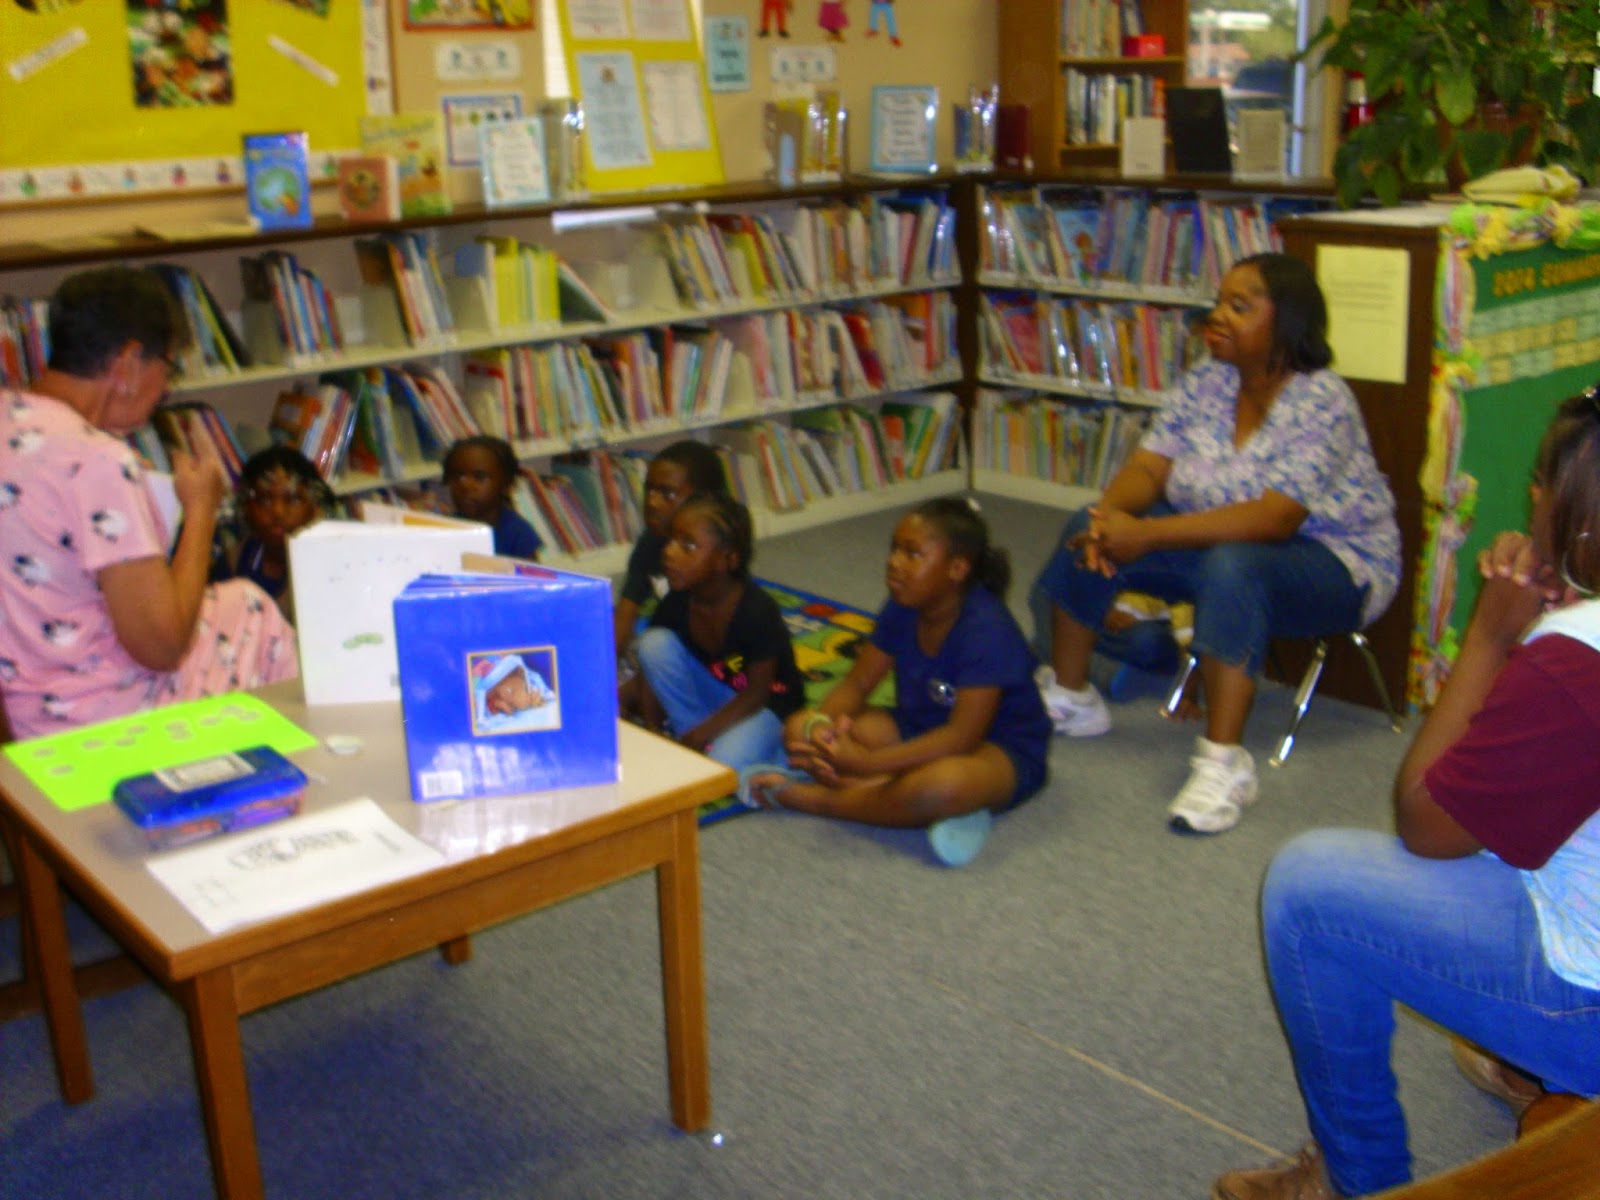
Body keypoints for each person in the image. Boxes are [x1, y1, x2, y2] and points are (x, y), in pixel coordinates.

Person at [1211, 389, 1600, 1200]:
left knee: (1311, 890)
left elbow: (1427, 821)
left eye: (1539, 482)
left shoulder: (1574, 662)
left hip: (1588, 994)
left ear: (1577, 513)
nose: (1528, 495)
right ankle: (1533, 1071)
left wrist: (1494, 637)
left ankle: (1362, 1179)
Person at [1031, 252, 1400, 835]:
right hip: (1216, 543)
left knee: (1235, 566)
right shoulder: (1205, 381)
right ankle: (1072, 698)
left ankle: (1224, 764)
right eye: (1220, 301)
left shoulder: (1323, 399)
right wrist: (1111, 518)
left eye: (1240, 305)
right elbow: (1150, 469)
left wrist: (1146, 534)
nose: (1217, 315)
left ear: (1289, 323)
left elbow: (1275, 519)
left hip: (1336, 565)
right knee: (1089, 517)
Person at [0, 266, 297, 740]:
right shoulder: (97, 461)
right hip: (93, 719)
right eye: (169, 368)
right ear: (128, 364)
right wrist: (200, 510)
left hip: (20, 699)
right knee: (257, 616)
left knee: (240, 601)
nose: (167, 389)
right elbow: (161, 648)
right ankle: (271, 781)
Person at [744, 497, 1052, 868]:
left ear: (956, 568)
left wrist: (867, 764)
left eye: (912, 553)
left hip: (997, 749)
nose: (894, 563)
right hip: (918, 727)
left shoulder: (987, 630)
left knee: (941, 786)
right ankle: (908, 801)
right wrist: (821, 728)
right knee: (797, 728)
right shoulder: (904, 604)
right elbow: (857, 684)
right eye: (894, 549)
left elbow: (961, 738)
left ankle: (817, 799)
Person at [634, 491, 805, 776]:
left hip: (766, 707)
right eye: (672, 540)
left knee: (720, 770)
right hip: (717, 697)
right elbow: (649, 673)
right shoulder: (677, 600)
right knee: (651, 644)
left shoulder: (756, 610)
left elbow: (758, 693)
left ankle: (788, 759)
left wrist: (701, 735)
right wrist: (653, 732)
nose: (669, 551)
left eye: (688, 545)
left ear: (728, 560)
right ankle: (697, 737)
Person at [613, 439, 730, 661]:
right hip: (677, 639)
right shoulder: (652, 542)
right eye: (649, 490)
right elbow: (627, 610)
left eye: (667, 494)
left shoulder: (716, 559)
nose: (652, 502)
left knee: (652, 648)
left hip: (723, 660)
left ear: (704, 500)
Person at [213, 444, 333, 619]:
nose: (277, 512)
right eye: (264, 499)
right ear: (245, 508)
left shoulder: (327, 571)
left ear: (315, 508)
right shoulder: (233, 562)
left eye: (293, 499)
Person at [441, 435, 541, 559]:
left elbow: (531, 577)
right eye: (457, 476)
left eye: (479, 477)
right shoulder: (445, 529)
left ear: (506, 485)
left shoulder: (518, 532)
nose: (465, 485)